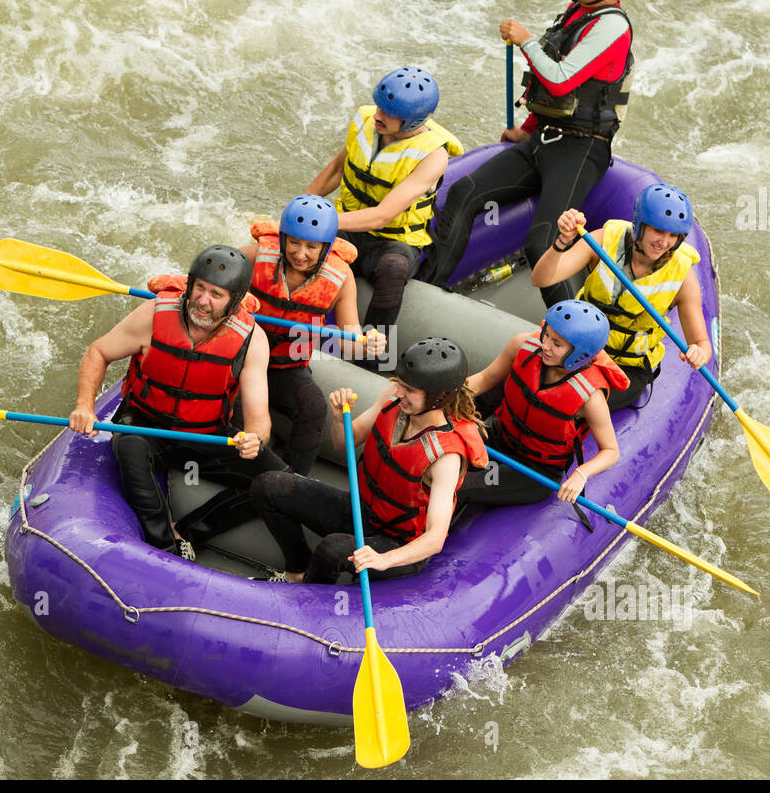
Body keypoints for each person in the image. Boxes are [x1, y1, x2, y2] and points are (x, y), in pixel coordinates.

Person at [419, 0, 639, 300]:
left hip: (581, 150)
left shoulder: (613, 26)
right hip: (545, 140)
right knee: (465, 192)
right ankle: (427, 290)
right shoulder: (578, 11)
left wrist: (525, 40)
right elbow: (555, 93)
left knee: (542, 242)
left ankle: (574, 335)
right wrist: (527, 131)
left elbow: (560, 79)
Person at [69, 244, 290, 558]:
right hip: (146, 424)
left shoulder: (252, 341)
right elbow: (99, 352)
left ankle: (190, 529)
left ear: (234, 301)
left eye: (216, 294)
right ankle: (165, 548)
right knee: (129, 446)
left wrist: (255, 439)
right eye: (200, 287)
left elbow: (259, 420)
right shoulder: (155, 314)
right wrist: (84, 405)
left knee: (280, 483)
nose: (202, 301)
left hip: (204, 433)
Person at [250, 338, 487, 583]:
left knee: (332, 550)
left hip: (396, 541)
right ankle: (296, 572)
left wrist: (384, 559)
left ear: (439, 397)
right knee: (267, 486)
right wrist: (339, 419)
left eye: (409, 390)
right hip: (361, 510)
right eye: (400, 384)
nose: (398, 392)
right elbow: (345, 443)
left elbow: (435, 539)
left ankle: (309, 602)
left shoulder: (445, 458)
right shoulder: (393, 400)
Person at [306, 66, 464, 332]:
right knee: (307, 250)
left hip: (395, 241)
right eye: (379, 108)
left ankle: (373, 353)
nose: (378, 116)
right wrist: (302, 207)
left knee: (394, 267)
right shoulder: (366, 123)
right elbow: (336, 168)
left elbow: (382, 216)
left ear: (413, 121)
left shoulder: (433, 155)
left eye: (388, 115)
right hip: (349, 228)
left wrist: (318, 220)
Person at [239, 194, 386, 474]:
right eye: (293, 242)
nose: (300, 253)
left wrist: (368, 344)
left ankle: (290, 483)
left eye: (311, 246)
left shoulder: (340, 279)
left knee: (314, 411)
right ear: (282, 238)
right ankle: (246, 473)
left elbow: (350, 340)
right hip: (241, 359)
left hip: (287, 366)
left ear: (327, 247)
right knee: (230, 410)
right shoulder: (255, 255)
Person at [531, 183, 711, 411]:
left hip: (628, 368)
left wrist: (698, 353)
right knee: (526, 374)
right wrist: (562, 242)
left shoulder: (683, 279)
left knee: (572, 399)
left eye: (673, 235)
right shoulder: (605, 240)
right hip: (578, 345)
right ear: (639, 225)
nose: (664, 242)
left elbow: (701, 343)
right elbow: (541, 279)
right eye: (657, 231)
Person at [458, 300, 625, 508]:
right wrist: (448, 395)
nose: (545, 345)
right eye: (547, 335)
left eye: (557, 344)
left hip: (534, 471)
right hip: (498, 438)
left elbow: (611, 451)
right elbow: (484, 379)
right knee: (442, 454)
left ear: (579, 354)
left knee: (460, 483)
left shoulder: (591, 398)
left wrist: (582, 474)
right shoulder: (522, 344)